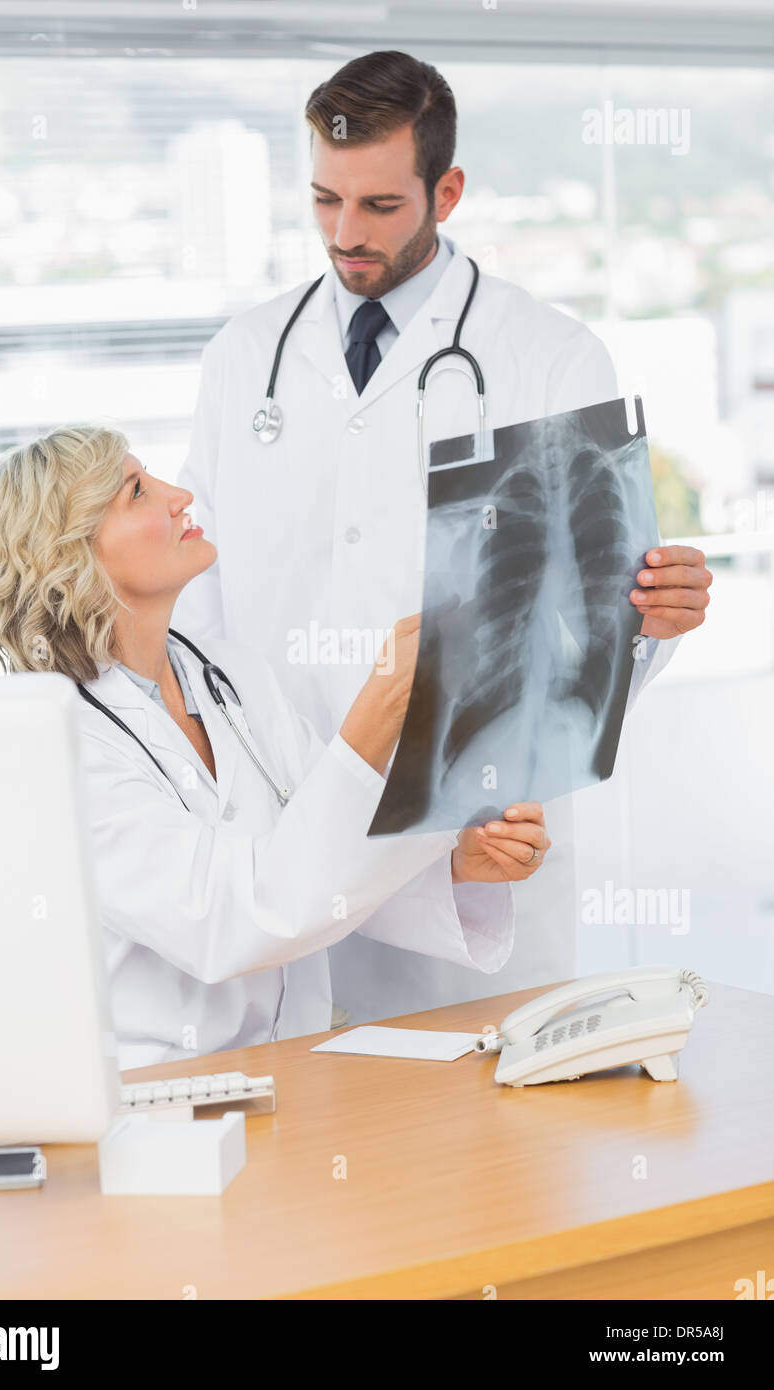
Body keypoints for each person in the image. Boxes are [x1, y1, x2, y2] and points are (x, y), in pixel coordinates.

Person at [173, 49, 713, 1021]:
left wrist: (651, 618)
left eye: (380, 205)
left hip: (472, 859)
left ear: (446, 191)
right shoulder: (243, 359)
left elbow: (590, 631)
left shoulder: (547, 356)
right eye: (325, 199)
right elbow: (197, 608)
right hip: (284, 853)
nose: (345, 233)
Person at [0, 425, 552, 1070]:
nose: (180, 495)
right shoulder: (59, 744)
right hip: (158, 1091)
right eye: (138, 492)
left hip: (292, 1070)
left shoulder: (235, 677)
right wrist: (374, 720)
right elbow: (227, 919)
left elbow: (323, 863)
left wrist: (453, 862)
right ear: (70, 557)